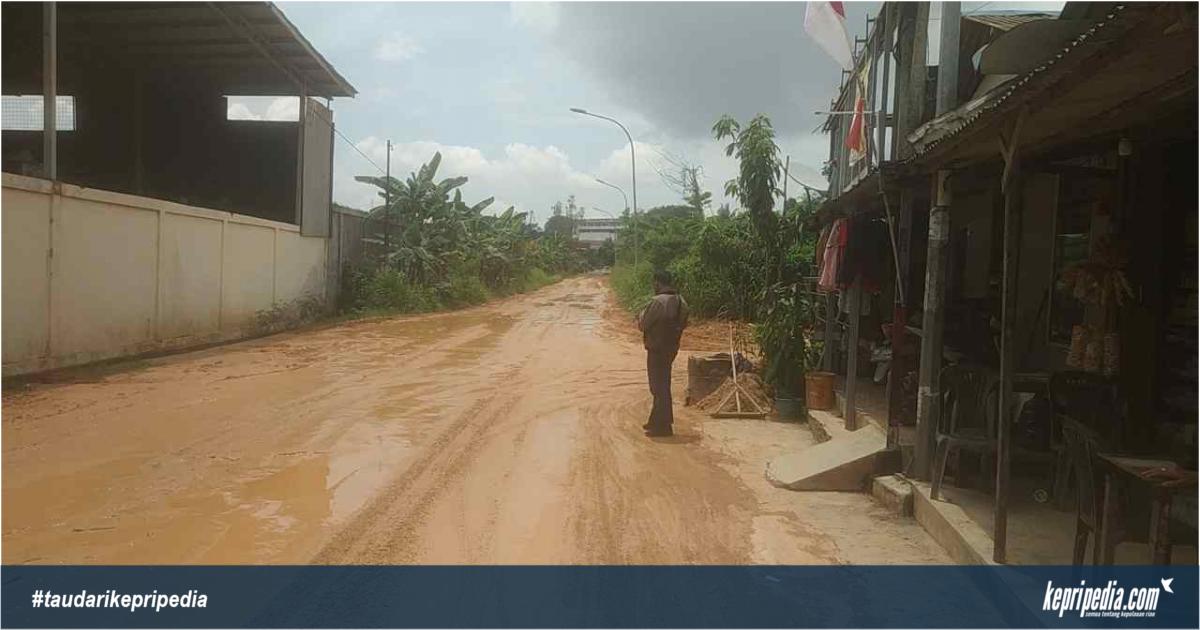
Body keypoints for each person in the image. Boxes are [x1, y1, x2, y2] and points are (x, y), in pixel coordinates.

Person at [636, 270, 689, 437]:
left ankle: (663, 426)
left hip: (657, 349)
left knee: (658, 387)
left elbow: (643, 324)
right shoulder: (681, 301)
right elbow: (684, 323)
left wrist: (640, 316)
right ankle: (656, 421)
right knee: (662, 384)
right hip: (671, 348)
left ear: (658, 282)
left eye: (654, 283)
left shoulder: (658, 302)